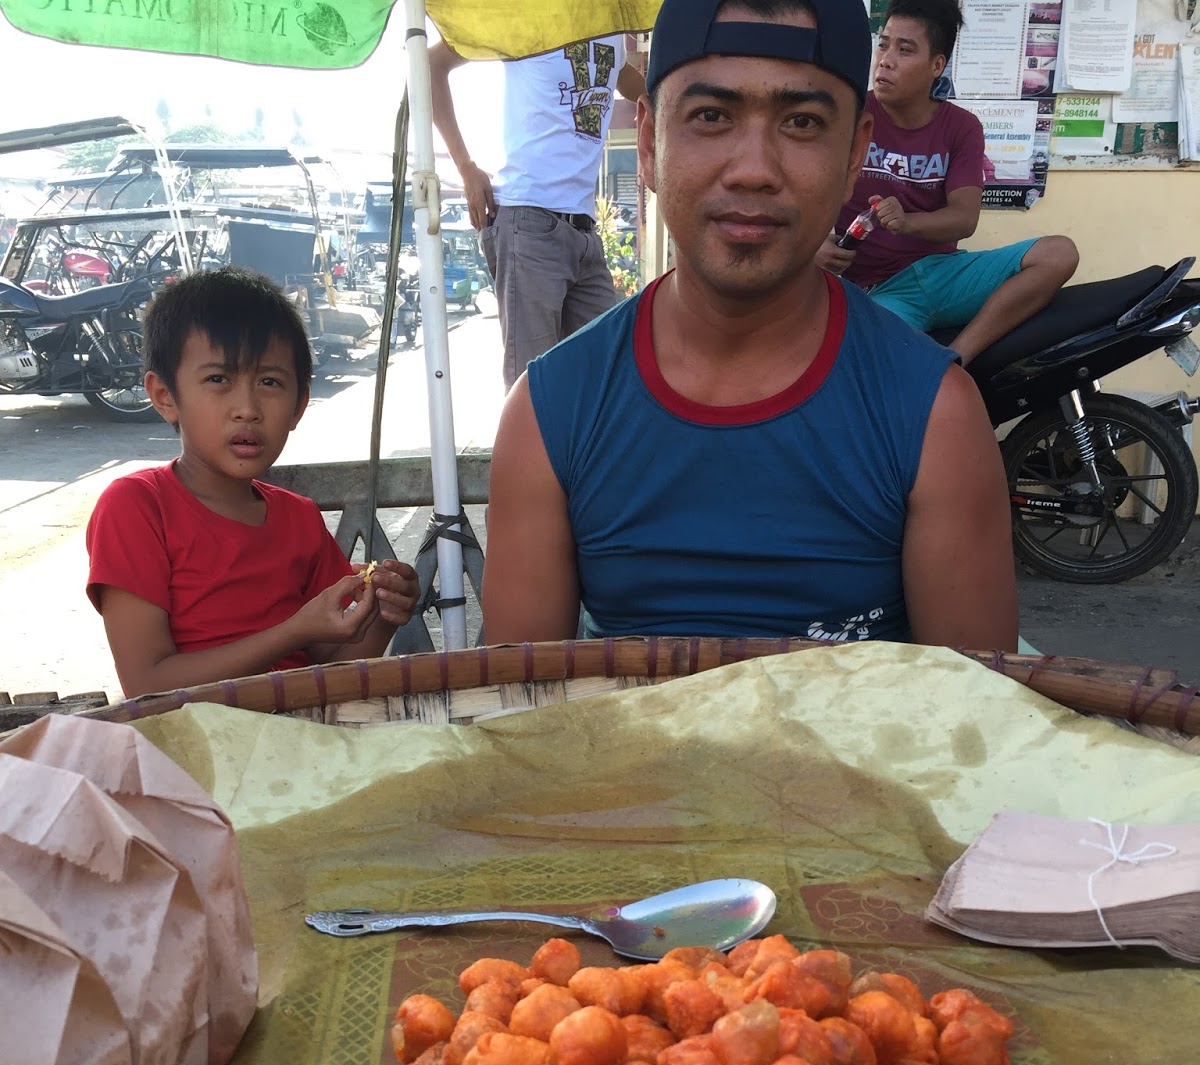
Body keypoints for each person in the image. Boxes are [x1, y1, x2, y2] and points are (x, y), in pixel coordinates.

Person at [481, 0, 1019, 654]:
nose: (754, 169)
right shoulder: (549, 412)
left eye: (802, 122)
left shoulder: (936, 419)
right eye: (711, 116)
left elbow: (972, 726)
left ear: (855, 155)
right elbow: (516, 720)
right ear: (649, 145)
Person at [86, 268, 419, 698]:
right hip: (194, 747)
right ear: (165, 395)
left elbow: (333, 669)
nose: (247, 408)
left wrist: (382, 616)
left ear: (299, 404)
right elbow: (147, 684)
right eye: (218, 379)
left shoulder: (298, 517)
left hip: (306, 739)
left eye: (269, 382)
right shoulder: (137, 506)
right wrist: (292, 632)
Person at [823, 0, 1077, 365]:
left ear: (936, 65)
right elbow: (803, 192)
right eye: (884, 44)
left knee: (1058, 253)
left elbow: (964, 218)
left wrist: (907, 222)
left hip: (942, 275)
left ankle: (957, 360)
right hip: (877, 290)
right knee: (865, 363)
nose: (886, 60)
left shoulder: (961, 127)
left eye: (905, 49)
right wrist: (815, 246)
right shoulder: (850, 115)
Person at [429, 35, 646, 389]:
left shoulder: (611, 29)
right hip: (529, 219)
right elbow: (431, 64)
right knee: (531, 388)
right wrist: (465, 165)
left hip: (584, 232)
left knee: (609, 373)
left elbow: (638, 88)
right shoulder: (527, 13)